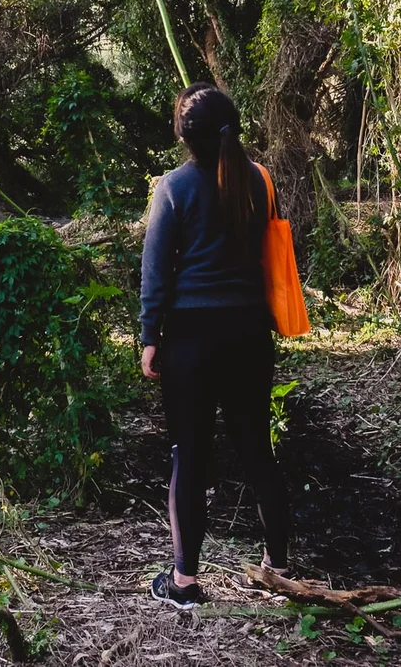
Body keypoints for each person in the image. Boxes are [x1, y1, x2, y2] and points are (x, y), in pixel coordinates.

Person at [140, 82, 289, 609]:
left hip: (191, 340)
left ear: (185, 137)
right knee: (256, 448)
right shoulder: (260, 181)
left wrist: (149, 337)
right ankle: (277, 567)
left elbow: (157, 272)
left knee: (191, 455)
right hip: (250, 332)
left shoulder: (173, 187)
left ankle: (184, 583)